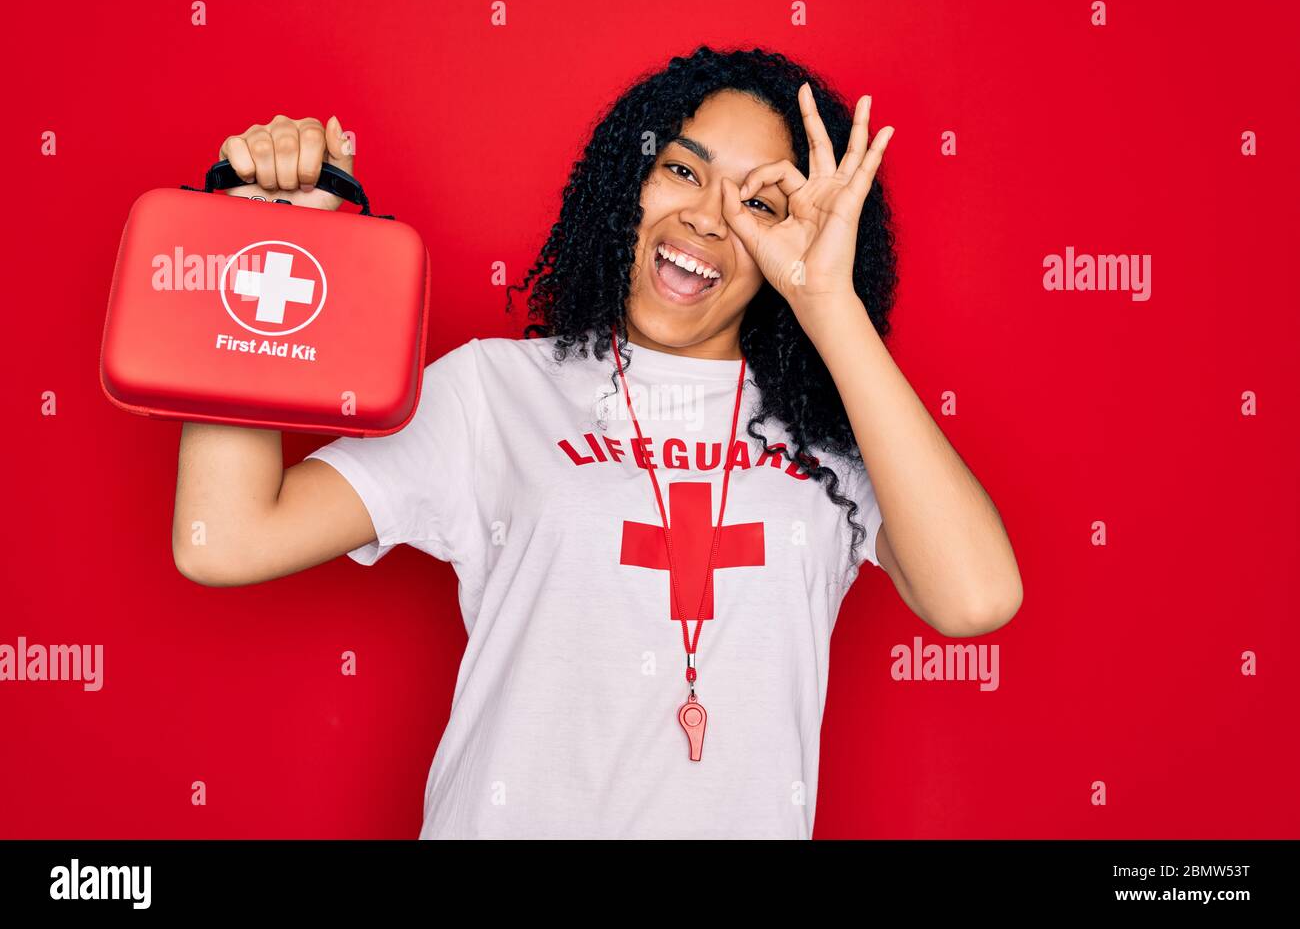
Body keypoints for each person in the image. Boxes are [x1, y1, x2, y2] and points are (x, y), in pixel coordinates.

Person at [173, 45, 1023, 839]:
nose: (707, 218)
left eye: (759, 202)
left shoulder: (830, 434)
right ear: (630, 185)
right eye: (683, 170)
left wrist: (826, 301)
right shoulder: (493, 391)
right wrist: (263, 244)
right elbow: (229, 538)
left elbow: (975, 598)